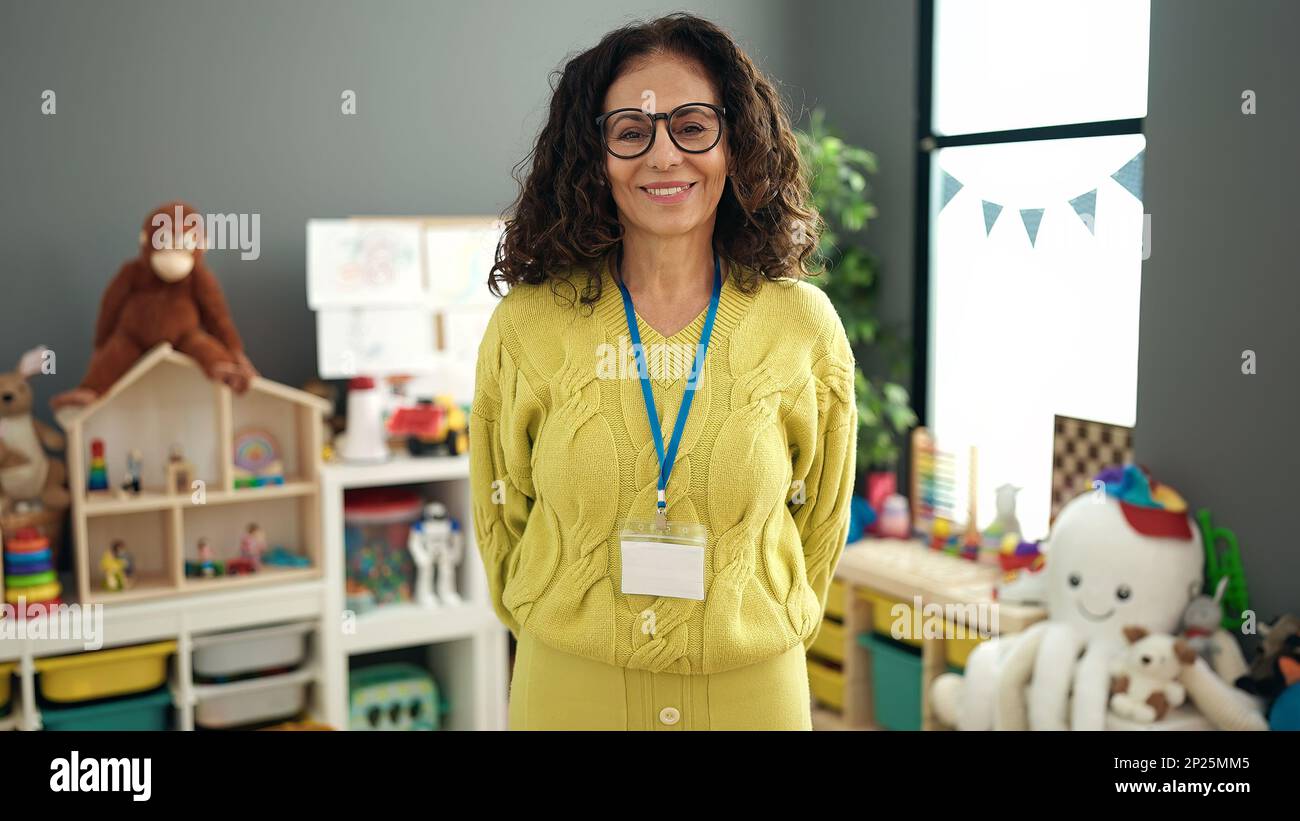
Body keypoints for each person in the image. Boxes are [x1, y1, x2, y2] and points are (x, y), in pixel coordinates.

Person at [471, 13, 857, 730]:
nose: (663, 155)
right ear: (594, 154)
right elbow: (502, 515)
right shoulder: (527, 326)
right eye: (630, 131)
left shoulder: (803, 326)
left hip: (752, 691)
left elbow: (822, 518)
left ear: (734, 140)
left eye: (692, 125)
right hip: (570, 689)